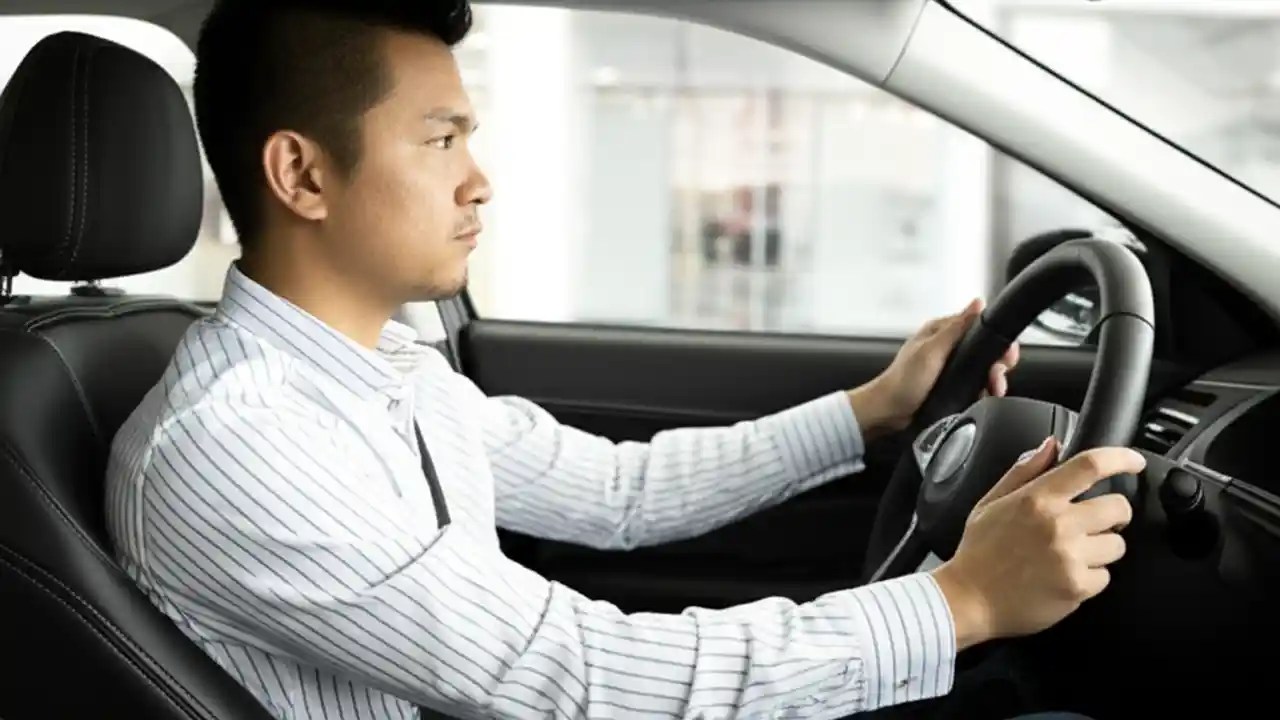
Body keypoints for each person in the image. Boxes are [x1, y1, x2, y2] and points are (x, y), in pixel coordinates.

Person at [104, 1, 1142, 718]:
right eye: (438, 141)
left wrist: (873, 408)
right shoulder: (236, 443)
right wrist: (958, 604)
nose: (479, 182)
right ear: (301, 174)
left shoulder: (389, 373)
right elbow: (572, 674)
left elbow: (618, 492)